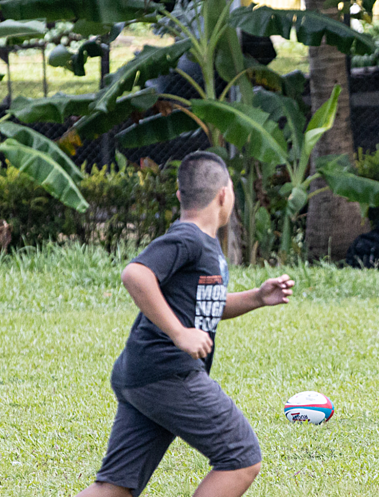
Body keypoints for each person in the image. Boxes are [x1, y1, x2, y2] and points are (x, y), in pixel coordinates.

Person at [76, 151, 296, 497]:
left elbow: (201, 306)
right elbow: (135, 274)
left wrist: (256, 297)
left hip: (143, 374)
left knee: (115, 487)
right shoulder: (189, 239)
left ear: (180, 195)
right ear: (225, 195)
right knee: (241, 457)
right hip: (170, 373)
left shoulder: (203, 244)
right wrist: (179, 334)